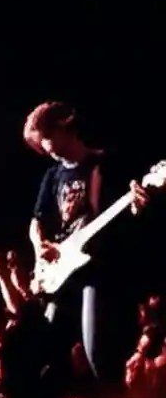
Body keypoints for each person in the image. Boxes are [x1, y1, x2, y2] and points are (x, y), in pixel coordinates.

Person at [23, 100, 159, 382]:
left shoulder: (105, 164)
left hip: (98, 270)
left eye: (46, 139)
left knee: (98, 352)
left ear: (64, 127)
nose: (47, 149)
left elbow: (131, 213)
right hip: (64, 266)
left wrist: (137, 206)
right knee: (45, 347)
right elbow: (36, 221)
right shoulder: (53, 175)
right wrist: (40, 247)